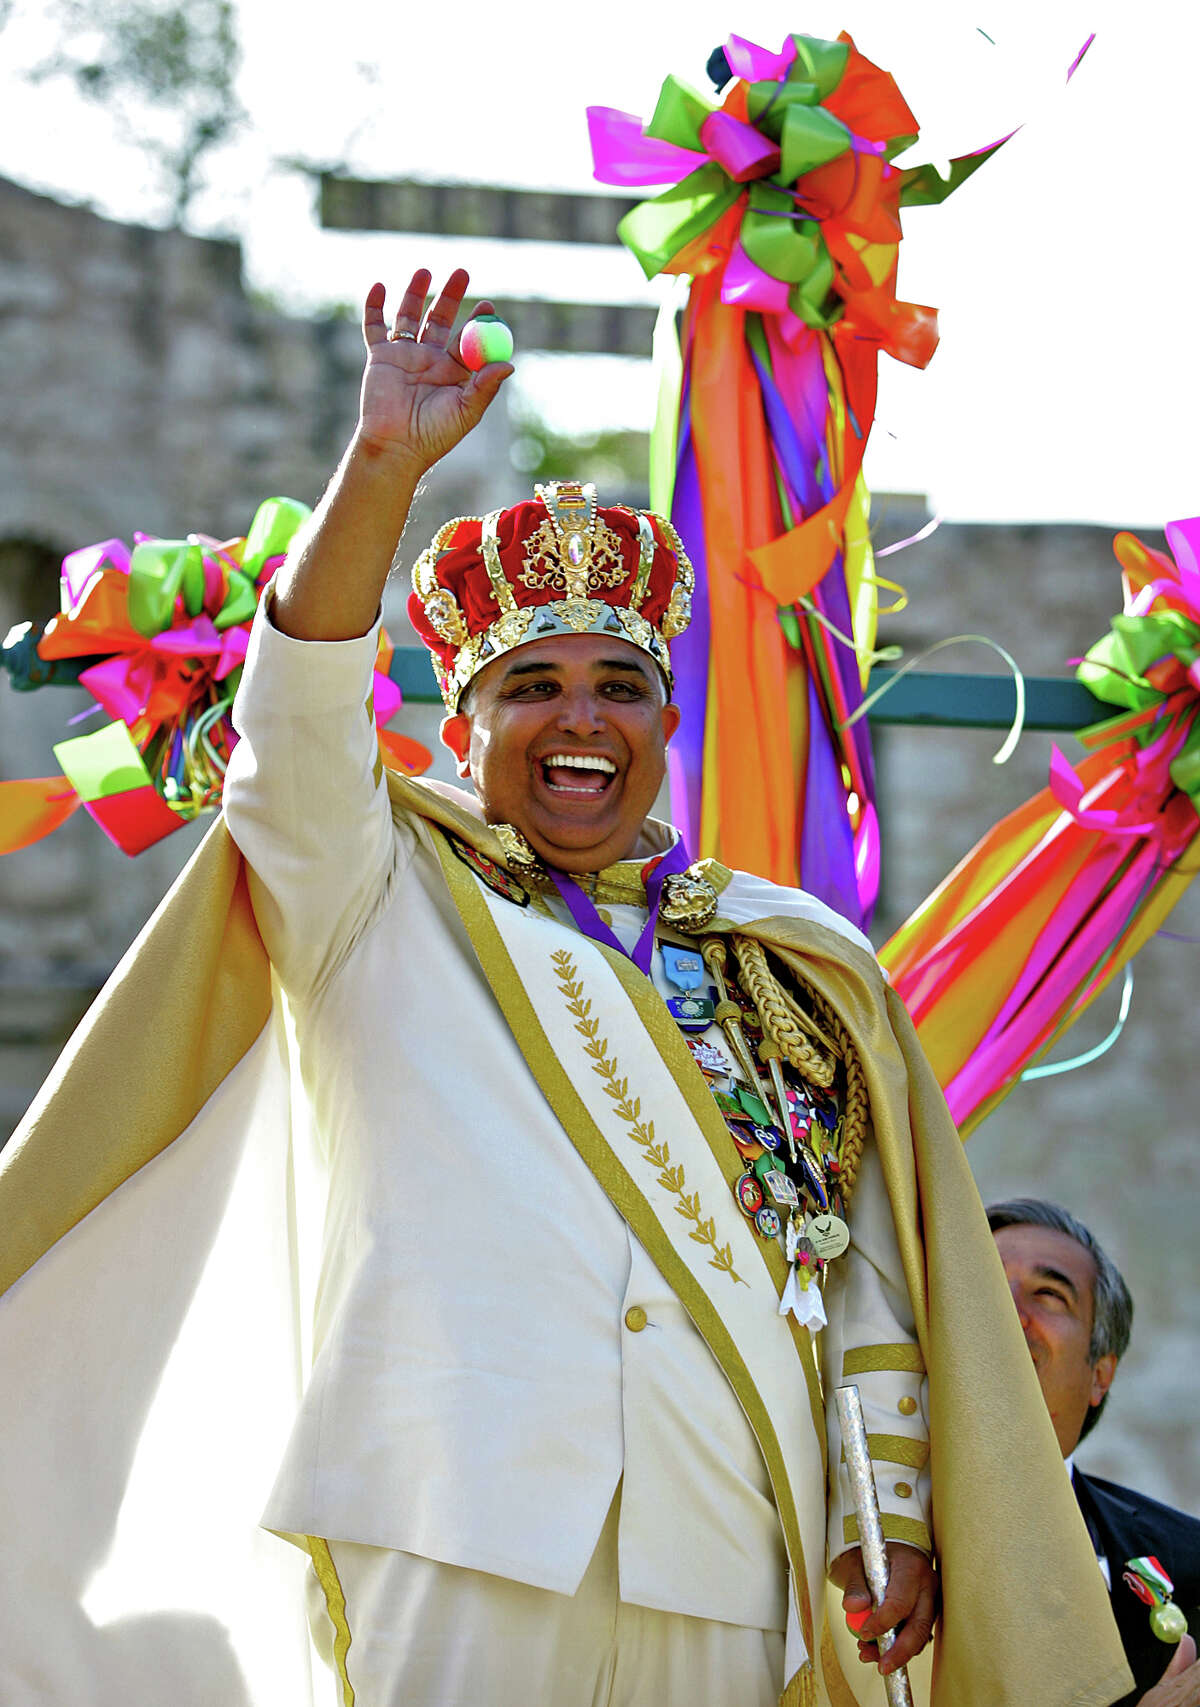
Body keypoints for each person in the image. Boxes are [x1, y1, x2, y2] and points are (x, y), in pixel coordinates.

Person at [0, 268, 1132, 1707]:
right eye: (533, 683)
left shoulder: (783, 955)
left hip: (729, 1543)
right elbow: (291, 728)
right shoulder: (380, 886)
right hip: (457, 1524)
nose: (580, 717)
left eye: (619, 683)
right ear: (463, 722)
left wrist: (888, 1517)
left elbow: (856, 1257)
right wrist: (383, 466)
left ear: (668, 720)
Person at [989, 1198, 1200, 1707]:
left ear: (1100, 1374)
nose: (1006, 1314)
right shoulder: (844, 1533)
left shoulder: (1191, 1560)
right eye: (983, 1285)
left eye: (1049, 1294)